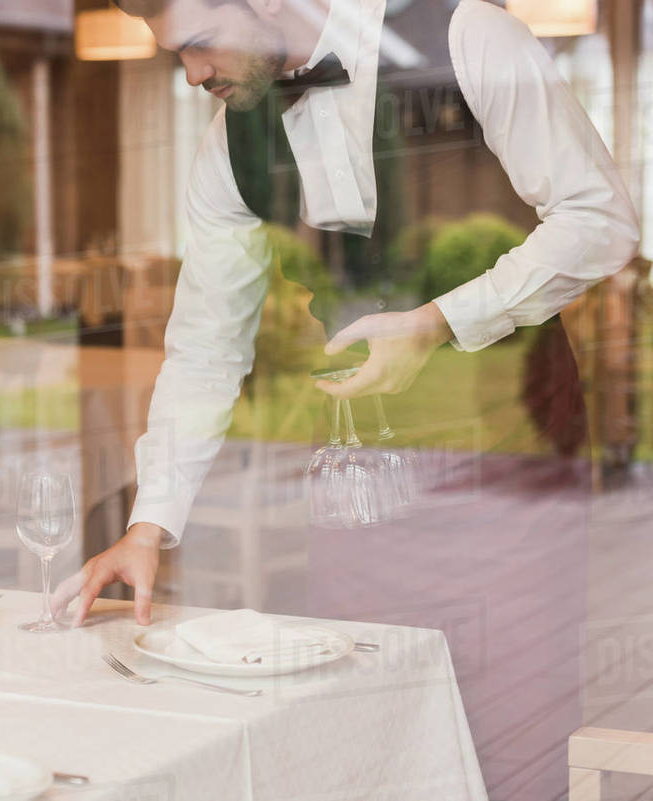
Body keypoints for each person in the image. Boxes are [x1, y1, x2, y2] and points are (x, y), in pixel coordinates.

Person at [52, 0, 639, 798]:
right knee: (366, 749)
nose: (192, 74)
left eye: (196, 45)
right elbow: (206, 346)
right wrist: (149, 526)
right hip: (358, 496)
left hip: (510, 474)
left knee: (513, 752)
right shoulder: (232, 138)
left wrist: (438, 322)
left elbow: (601, 220)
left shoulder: (468, 37)